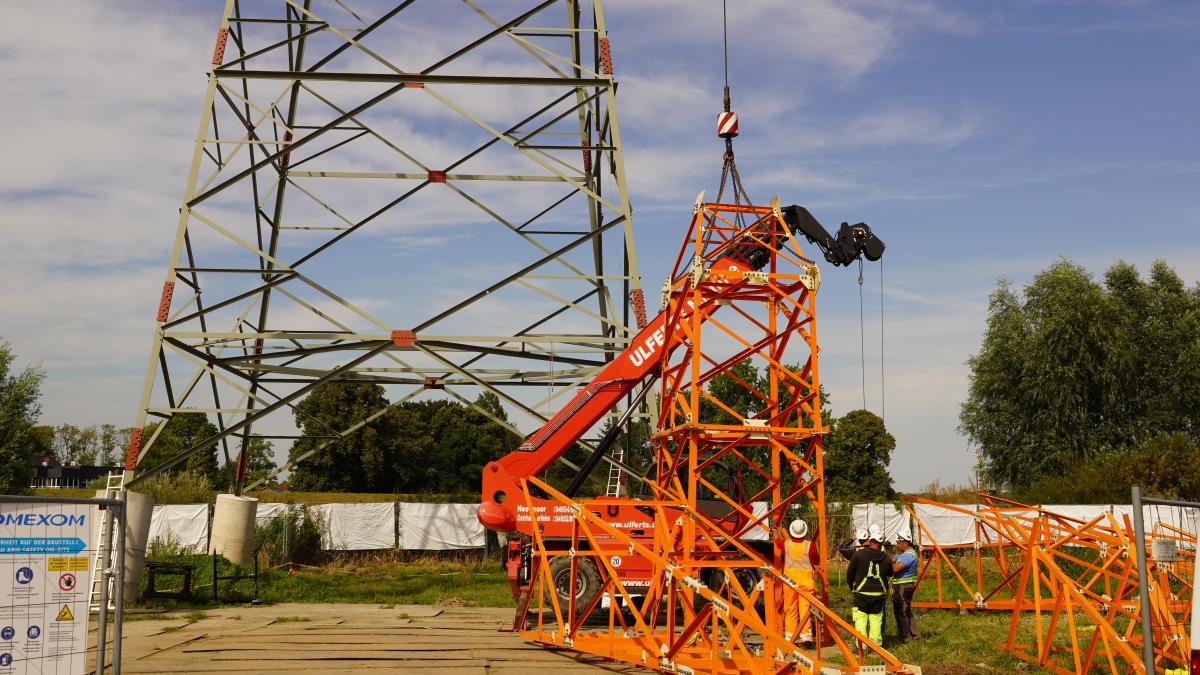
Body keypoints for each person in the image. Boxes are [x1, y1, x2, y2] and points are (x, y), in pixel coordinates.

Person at [846, 525, 893, 646]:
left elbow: (850, 573)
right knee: (876, 619)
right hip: (878, 594)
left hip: (861, 593)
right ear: (881, 543)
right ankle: (876, 645)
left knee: (861, 619)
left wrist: (852, 587)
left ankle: (862, 645)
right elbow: (890, 574)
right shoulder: (887, 559)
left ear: (871, 541)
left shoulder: (859, 555)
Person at [780, 518, 820, 646]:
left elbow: (776, 541)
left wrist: (776, 529)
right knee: (805, 609)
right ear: (804, 532)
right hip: (806, 582)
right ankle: (806, 637)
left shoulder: (785, 544)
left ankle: (790, 637)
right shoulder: (810, 545)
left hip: (789, 582)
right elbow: (816, 560)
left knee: (790, 608)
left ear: (791, 532)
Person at [890, 532, 920, 642]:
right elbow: (893, 557)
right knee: (906, 611)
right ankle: (915, 635)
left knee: (901, 612)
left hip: (903, 587)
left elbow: (896, 568)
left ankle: (906, 637)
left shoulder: (909, 555)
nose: (897, 545)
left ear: (905, 542)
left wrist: (886, 564)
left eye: (898, 542)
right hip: (903, 586)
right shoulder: (904, 554)